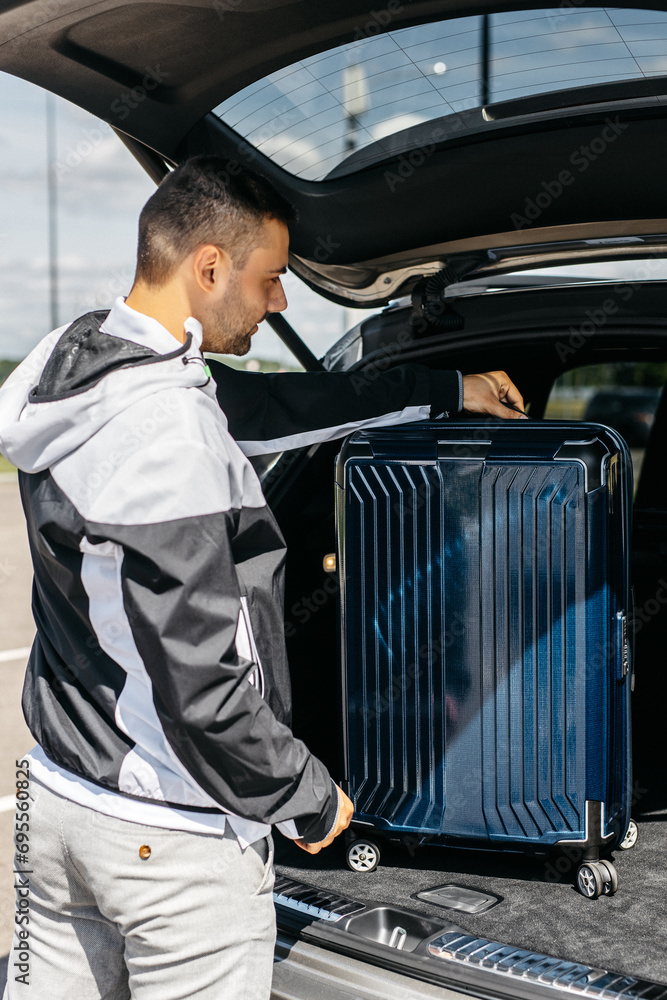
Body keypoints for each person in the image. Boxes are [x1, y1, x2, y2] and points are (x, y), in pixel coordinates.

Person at [0, 155, 526, 999]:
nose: (279, 302)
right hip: (168, 839)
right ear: (209, 267)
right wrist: (305, 794)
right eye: (272, 279)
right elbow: (200, 684)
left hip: (59, 799)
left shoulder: (91, 366)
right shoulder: (168, 436)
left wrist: (443, 387)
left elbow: (278, 410)